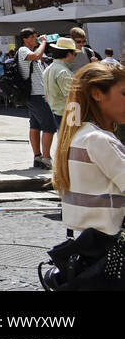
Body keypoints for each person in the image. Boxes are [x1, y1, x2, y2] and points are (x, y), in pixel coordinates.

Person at [52, 61, 125, 237]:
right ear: (97, 94)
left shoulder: (76, 136)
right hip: (111, 242)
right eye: (124, 93)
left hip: (89, 244)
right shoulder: (99, 140)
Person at [18, 27, 55, 169]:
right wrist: (44, 43)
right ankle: (46, 158)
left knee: (35, 125)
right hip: (35, 94)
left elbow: (39, 57)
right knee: (50, 126)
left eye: (37, 37)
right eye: (33, 37)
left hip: (36, 93)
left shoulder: (31, 52)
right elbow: (36, 56)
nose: (36, 39)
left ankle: (38, 157)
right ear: (25, 39)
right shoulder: (23, 50)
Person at [44, 36, 85, 129]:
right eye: (75, 54)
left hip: (57, 112)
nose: (75, 57)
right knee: (73, 142)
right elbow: (73, 98)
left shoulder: (49, 68)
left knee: (64, 141)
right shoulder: (63, 72)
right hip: (69, 114)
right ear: (69, 54)